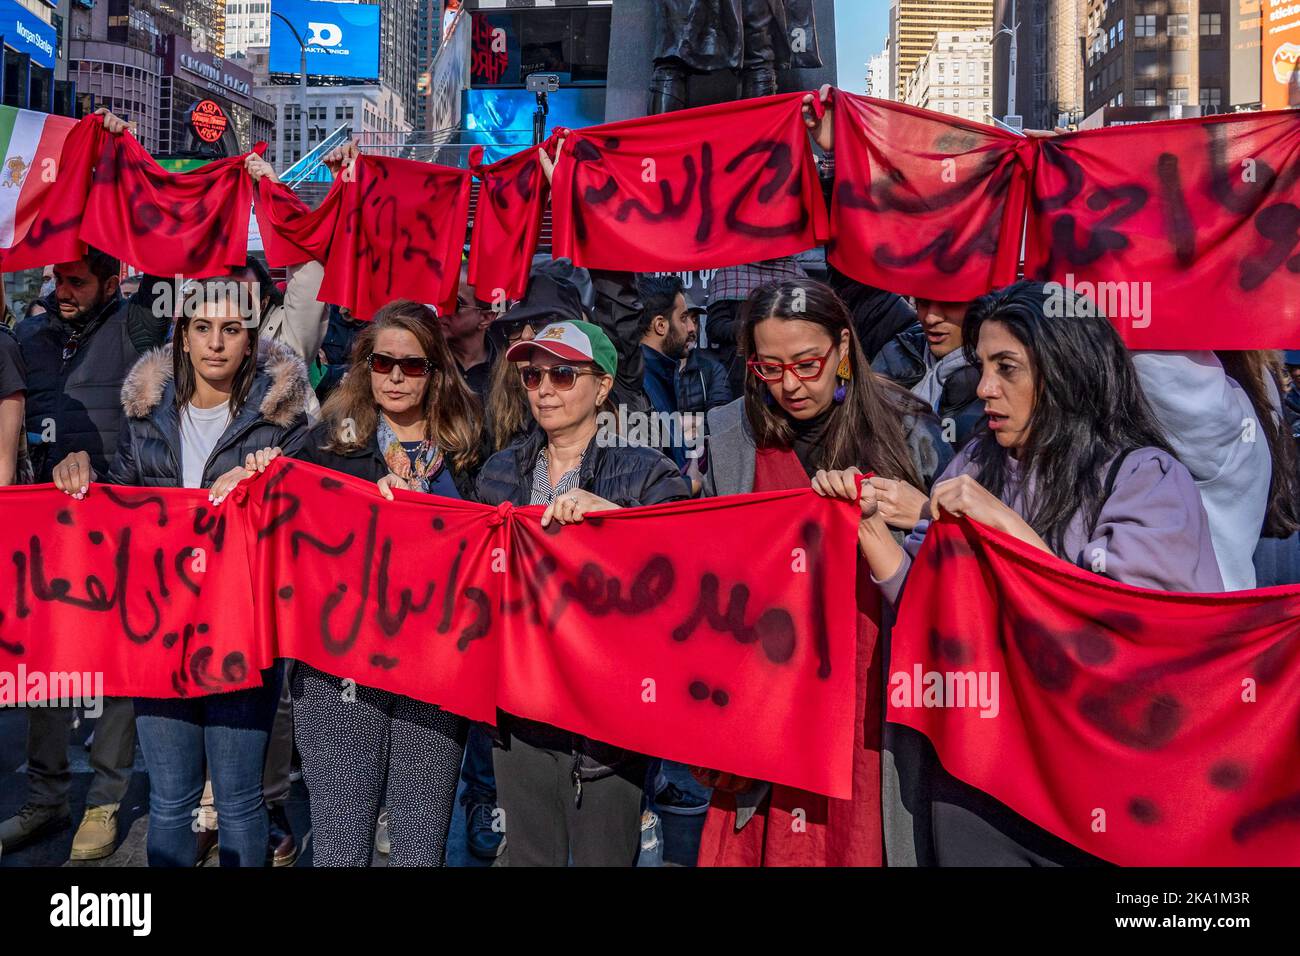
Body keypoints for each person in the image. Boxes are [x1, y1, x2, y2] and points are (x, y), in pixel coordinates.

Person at [826, 280, 1223, 867]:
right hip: (977, 778)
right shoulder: (974, 461)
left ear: (1066, 368)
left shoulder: (1147, 479)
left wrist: (1003, 522)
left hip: (1096, 789)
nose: (984, 388)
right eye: (981, 366)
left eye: (1007, 367)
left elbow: (1123, 643)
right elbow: (929, 614)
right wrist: (867, 531)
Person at [48, 277, 310, 867]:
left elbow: (307, 517)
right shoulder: (143, 417)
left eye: (231, 329)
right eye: (202, 328)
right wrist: (78, 470)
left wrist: (272, 478)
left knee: (241, 803)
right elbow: (116, 507)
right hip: (158, 633)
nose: (216, 342)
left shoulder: (284, 424)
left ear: (251, 341)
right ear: (181, 338)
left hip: (244, 632)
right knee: (170, 803)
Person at [694, 278, 949, 867]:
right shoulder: (731, 431)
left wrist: (917, 514)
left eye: (808, 364)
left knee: (859, 837)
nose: (789, 385)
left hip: (869, 684)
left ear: (842, 347)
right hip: (766, 691)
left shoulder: (906, 422)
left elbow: (950, 565)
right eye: (770, 368)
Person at [1, 108, 172, 861]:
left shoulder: (139, 326)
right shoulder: (28, 337)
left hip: (119, 521)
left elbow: (169, 259)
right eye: (53, 276)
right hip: (42, 528)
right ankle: (44, 797)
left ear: (114, 277)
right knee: (42, 665)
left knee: (116, 667)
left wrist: (117, 153)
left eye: (75, 278)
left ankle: (103, 801)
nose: (59, 287)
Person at [476, 320, 691, 866]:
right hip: (522, 703)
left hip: (609, 711)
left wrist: (618, 524)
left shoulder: (647, 473)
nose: (545, 388)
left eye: (563, 374)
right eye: (533, 375)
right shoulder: (498, 474)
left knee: (603, 858)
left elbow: (682, 574)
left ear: (602, 386)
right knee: (528, 857)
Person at [291, 300, 482, 866]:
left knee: (419, 849)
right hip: (341, 668)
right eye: (382, 362)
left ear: (436, 369)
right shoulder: (328, 442)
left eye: (413, 365)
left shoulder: (471, 445)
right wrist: (245, 470)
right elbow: (276, 497)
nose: (396, 376)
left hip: (435, 667)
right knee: (341, 845)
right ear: (365, 365)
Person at [1131, 350, 1300, 590]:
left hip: (1195, 600)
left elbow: (1154, 367)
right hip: (1229, 585)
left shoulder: (1213, 405)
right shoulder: (1250, 388)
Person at [873, 298, 984, 450]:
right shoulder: (896, 353)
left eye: (949, 303)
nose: (930, 318)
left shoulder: (992, 382)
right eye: (923, 302)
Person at [637, 274, 698, 468]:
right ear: (661, 325)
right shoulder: (640, 388)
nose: (690, 328)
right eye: (683, 318)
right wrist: (688, 483)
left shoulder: (660, 374)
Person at [442, 263, 496, 403]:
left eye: (454, 303)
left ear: (486, 317)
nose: (442, 310)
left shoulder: (508, 370)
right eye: (440, 299)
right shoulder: (424, 362)